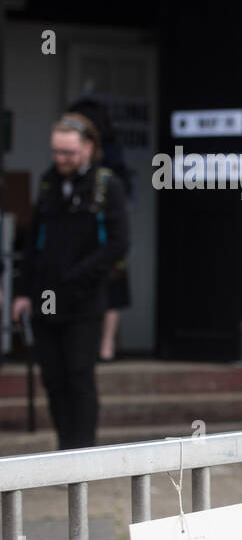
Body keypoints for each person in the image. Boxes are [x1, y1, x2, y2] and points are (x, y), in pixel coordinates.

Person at [10, 113, 130, 450]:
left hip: (84, 300)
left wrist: (78, 276)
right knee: (53, 378)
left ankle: (83, 452)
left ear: (89, 148)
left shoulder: (107, 185)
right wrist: (22, 292)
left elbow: (118, 243)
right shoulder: (49, 184)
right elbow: (35, 242)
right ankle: (65, 451)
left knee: (79, 376)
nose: (61, 159)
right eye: (57, 152)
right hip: (46, 298)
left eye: (69, 153)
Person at [67, 98, 135, 361]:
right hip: (95, 229)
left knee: (112, 283)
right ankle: (104, 346)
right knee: (110, 285)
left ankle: (104, 346)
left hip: (104, 228)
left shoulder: (108, 158)